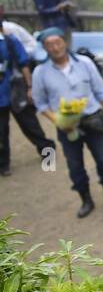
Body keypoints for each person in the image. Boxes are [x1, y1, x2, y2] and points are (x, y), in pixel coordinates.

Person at [31, 29, 103, 217]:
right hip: (66, 127)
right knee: (75, 165)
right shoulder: (40, 72)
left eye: (58, 42)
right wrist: (58, 121)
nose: (55, 47)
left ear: (65, 42)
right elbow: (41, 104)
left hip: (92, 120)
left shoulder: (85, 63)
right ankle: (86, 199)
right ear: (44, 48)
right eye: (49, 44)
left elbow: (101, 91)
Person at [1, 20, 56, 177]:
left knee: (31, 126)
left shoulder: (11, 41)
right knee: (1, 131)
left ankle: (48, 153)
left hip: (16, 90)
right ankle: (3, 165)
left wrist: (30, 87)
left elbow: (24, 64)